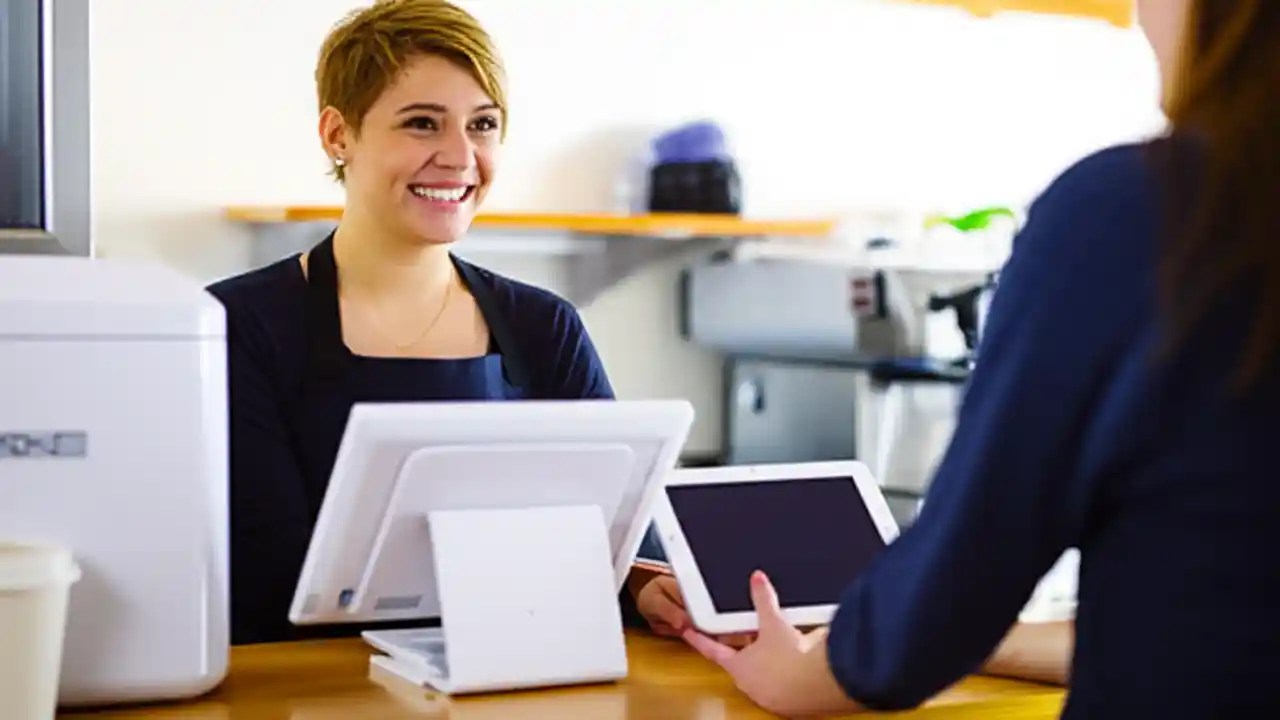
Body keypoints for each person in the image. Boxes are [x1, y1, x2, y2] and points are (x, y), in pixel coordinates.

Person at [682, 0, 1280, 716]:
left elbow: (962, 576)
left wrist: (804, 675)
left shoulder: (1140, 210)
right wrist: (981, 636)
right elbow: (1209, 606)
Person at [207, 0, 670, 645]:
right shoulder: (234, 327)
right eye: (422, 123)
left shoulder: (545, 327)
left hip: (516, 679)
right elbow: (263, 582)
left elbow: (621, 543)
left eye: (483, 125)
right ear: (338, 135)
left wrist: (652, 588)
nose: (460, 157)